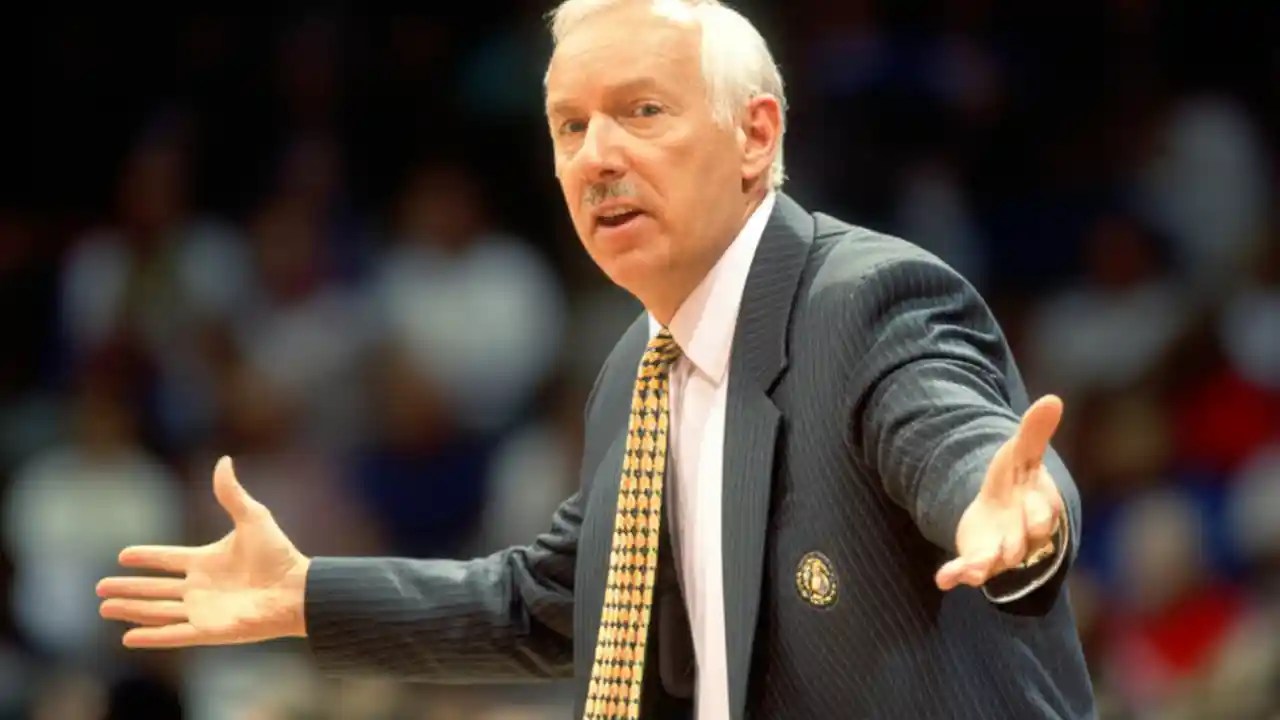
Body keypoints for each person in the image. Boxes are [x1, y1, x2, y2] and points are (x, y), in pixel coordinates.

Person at [97, 1, 1097, 717]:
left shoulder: (866, 299)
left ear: (755, 135)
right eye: (569, 126)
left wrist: (1008, 507)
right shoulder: (636, 370)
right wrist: (305, 597)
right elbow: (545, 605)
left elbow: (955, 438)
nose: (595, 156)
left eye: (641, 112)